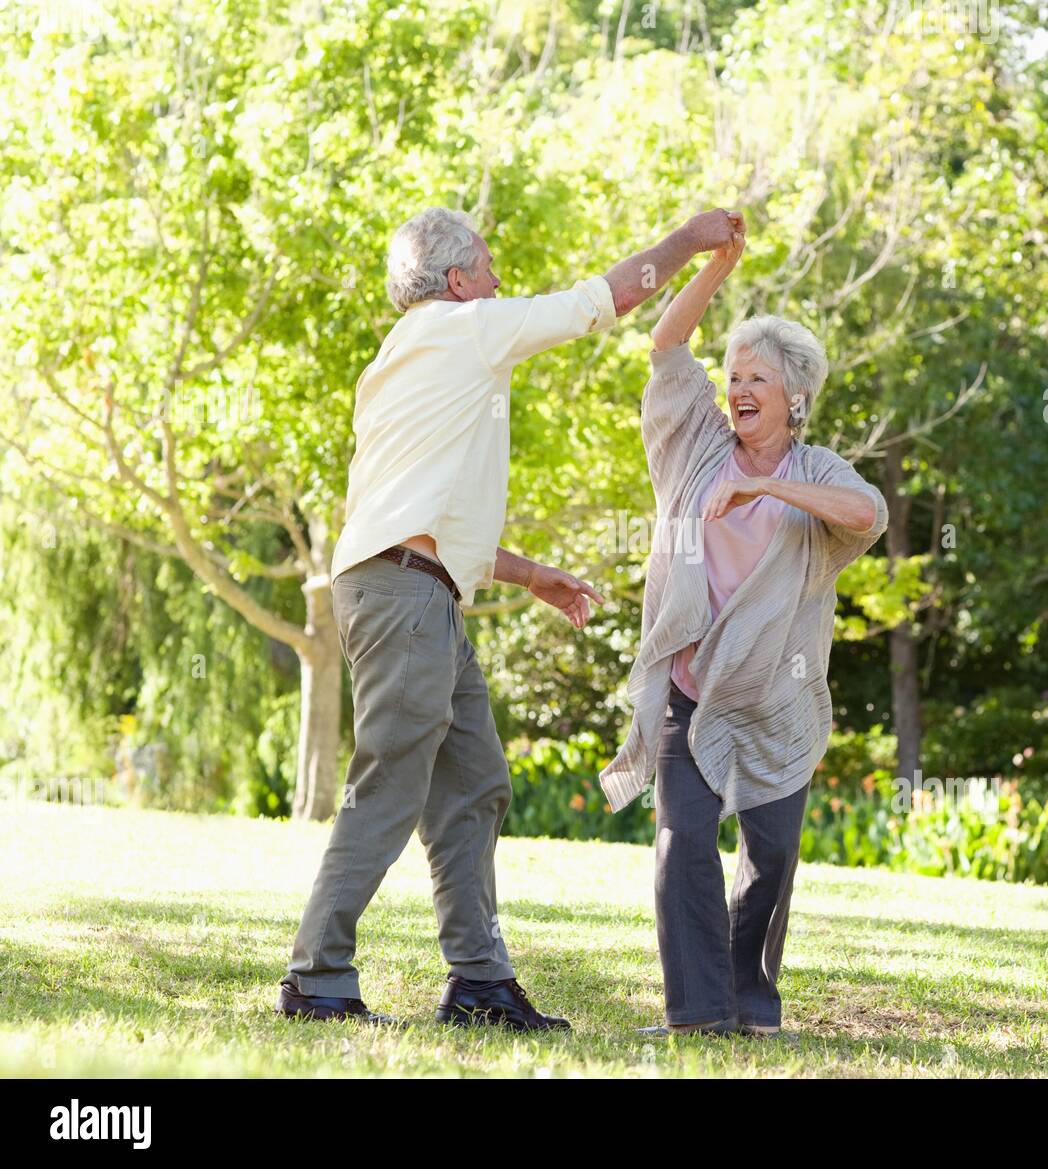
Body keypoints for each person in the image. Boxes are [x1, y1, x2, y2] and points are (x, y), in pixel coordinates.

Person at [276, 205, 746, 1030]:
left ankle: (480, 983)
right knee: (389, 784)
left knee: (475, 785)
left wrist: (528, 574)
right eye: (488, 268)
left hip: (416, 589)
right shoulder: (466, 331)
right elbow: (598, 301)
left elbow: (423, 508)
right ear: (457, 281)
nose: (499, 282)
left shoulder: (397, 362)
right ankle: (317, 978)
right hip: (404, 596)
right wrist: (690, 240)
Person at [599, 230, 888, 1036]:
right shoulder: (694, 447)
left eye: (757, 378)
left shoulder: (817, 471)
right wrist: (714, 265)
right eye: (733, 378)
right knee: (681, 839)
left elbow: (869, 514)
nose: (738, 390)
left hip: (775, 694)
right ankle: (696, 1013)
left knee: (771, 858)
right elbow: (665, 344)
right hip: (691, 686)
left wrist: (772, 491)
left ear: (796, 396)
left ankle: (750, 1006)